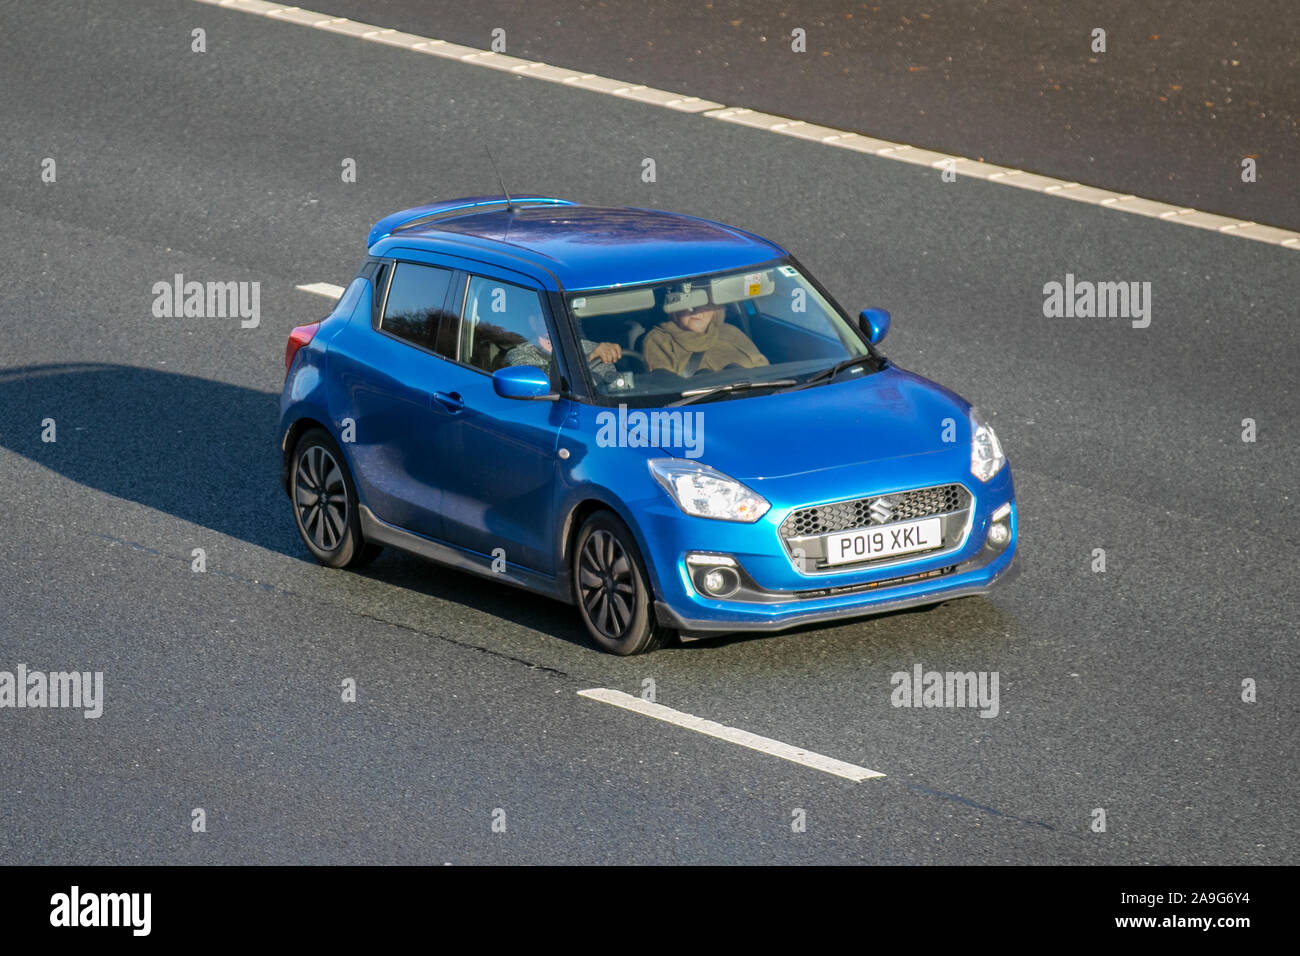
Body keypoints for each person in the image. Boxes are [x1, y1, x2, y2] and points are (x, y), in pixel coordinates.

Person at [642, 286, 767, 376]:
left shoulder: (731, 332)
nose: (697, 311)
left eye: (706, 304)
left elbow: (763, 371)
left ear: (715, 310)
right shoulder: (659, 340)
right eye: (690, 303)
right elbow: (667, 391)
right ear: (675, 309)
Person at [504, 314, 626, 388]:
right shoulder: (518, 354)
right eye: (548, 315)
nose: (556, 320)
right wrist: (588, 359)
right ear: (533, 322)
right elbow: (535, 379)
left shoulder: (592, 349)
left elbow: (612, 387)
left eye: (561, 315)